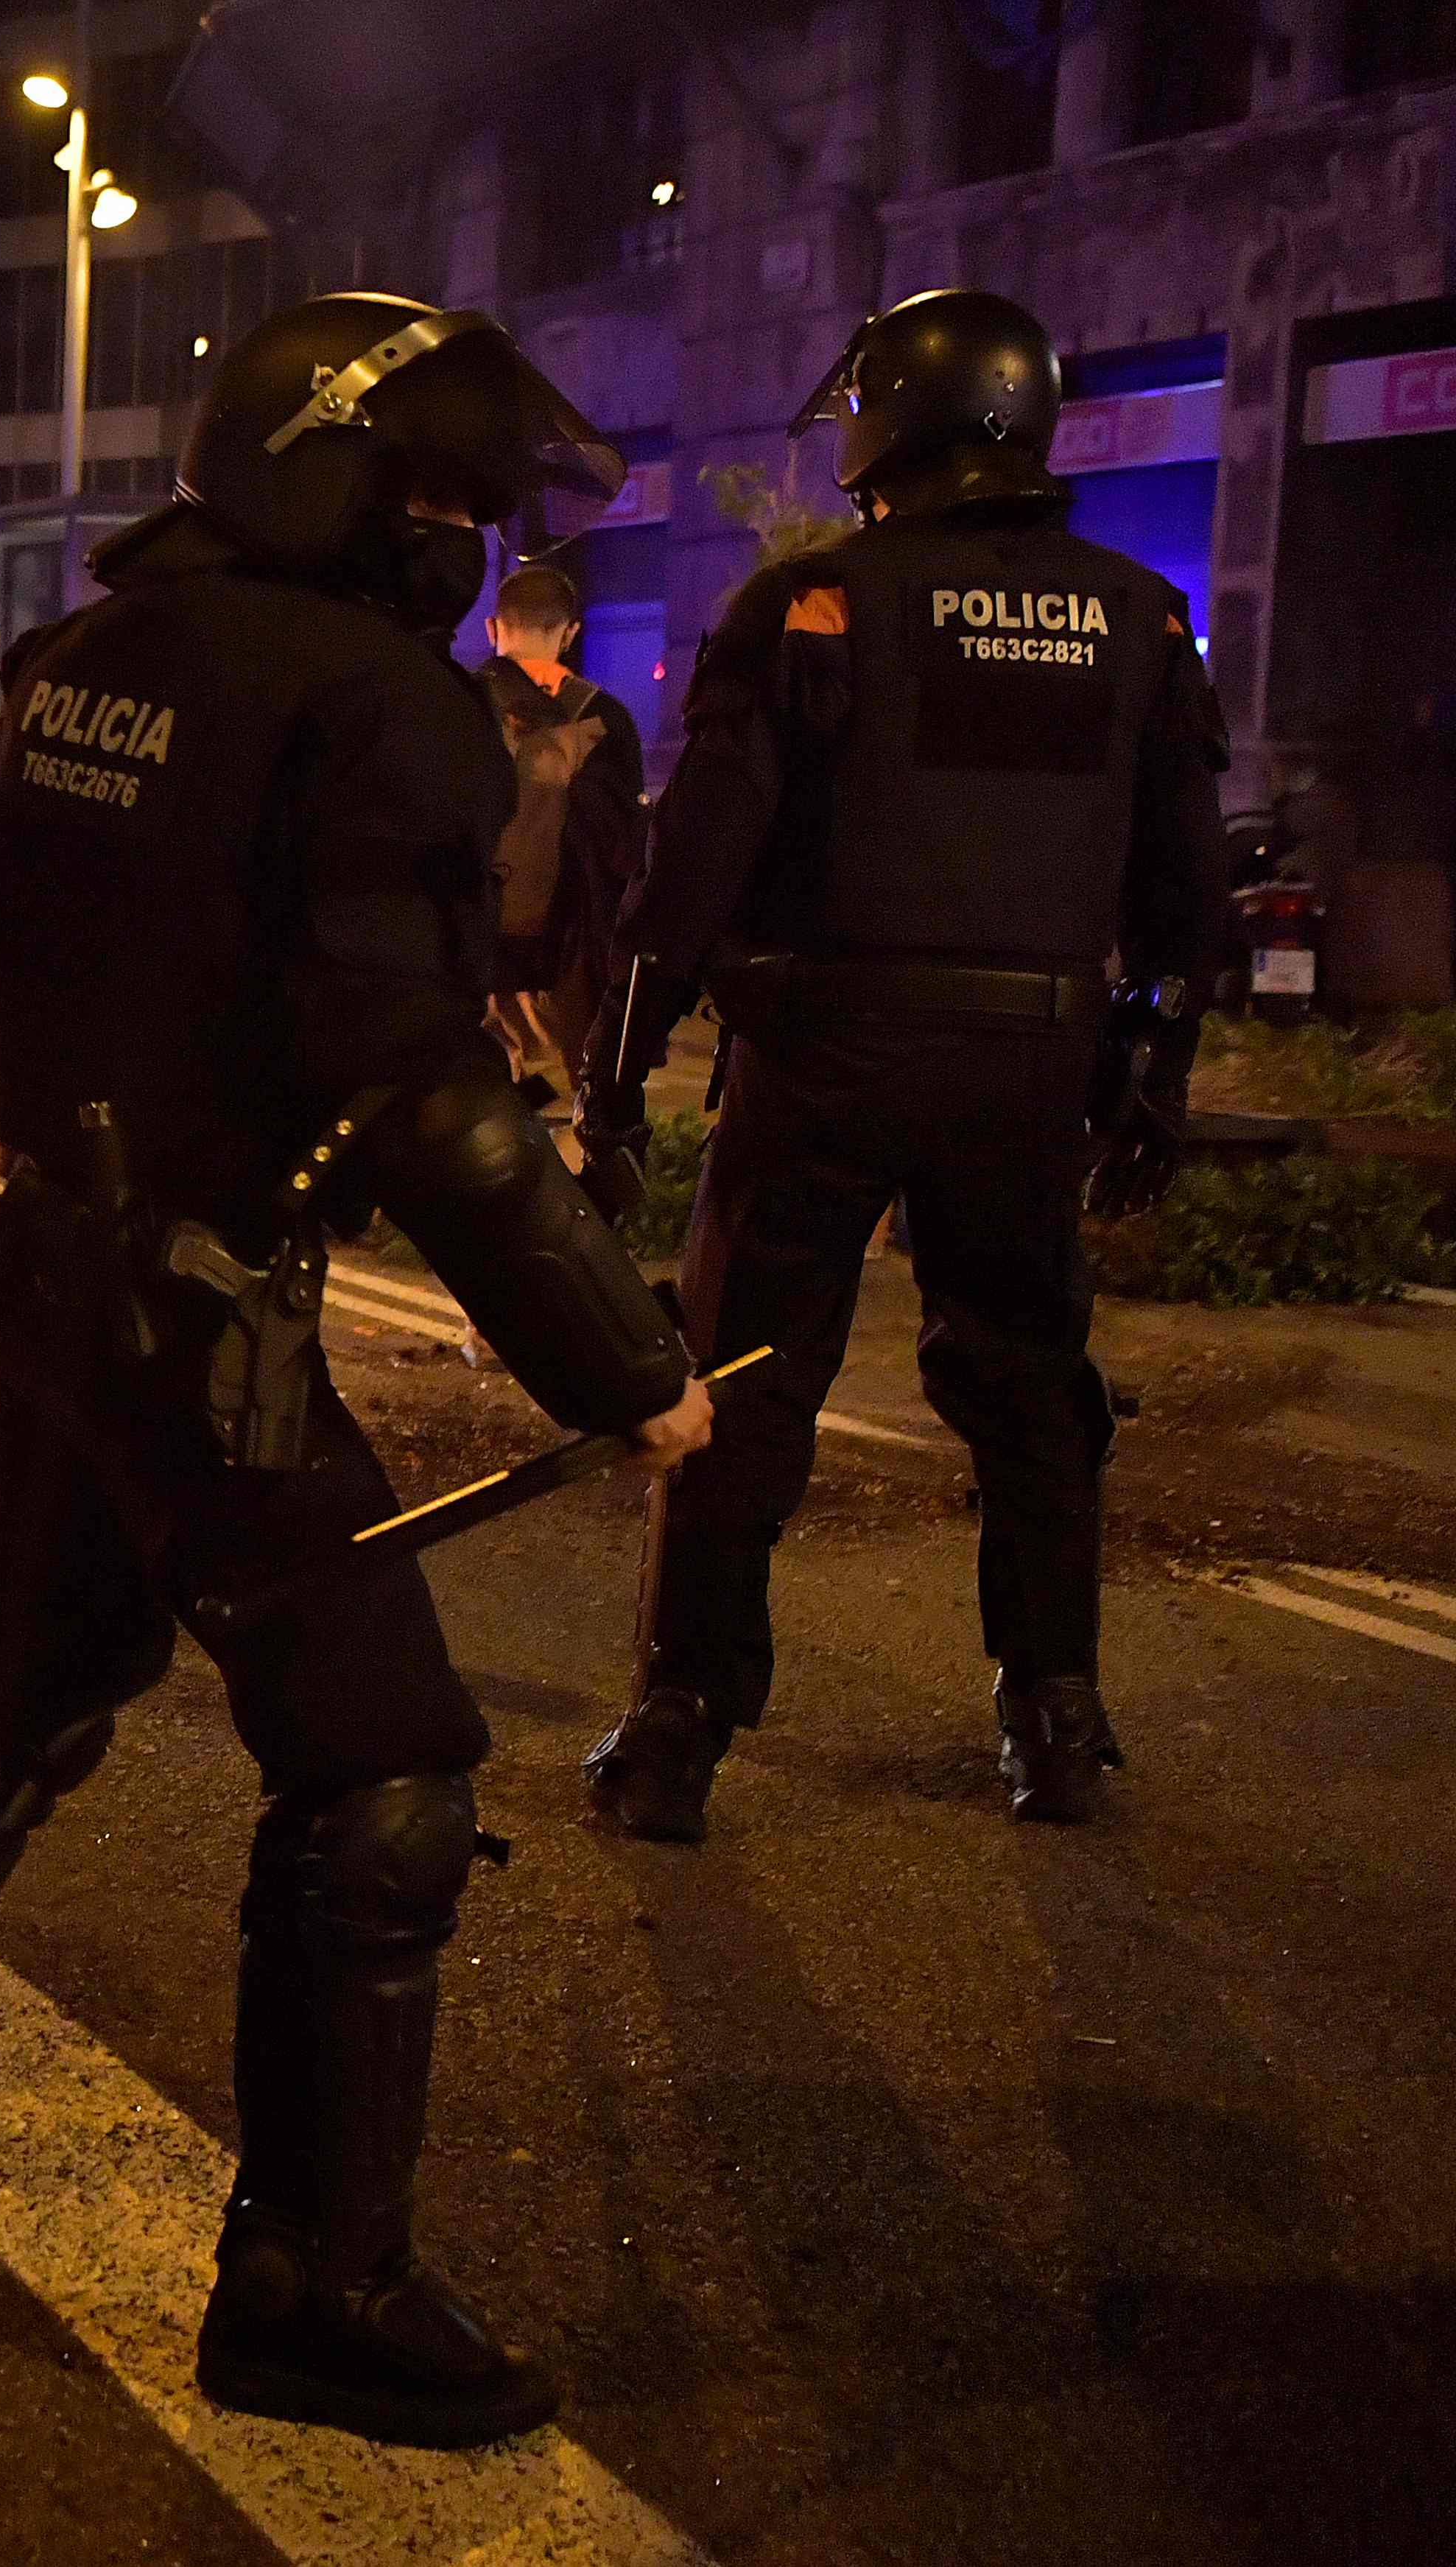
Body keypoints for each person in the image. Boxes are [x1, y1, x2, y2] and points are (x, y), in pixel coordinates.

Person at [0, 295, 708, 2450]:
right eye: (440, 504)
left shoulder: (95, 665)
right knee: (380, 1764)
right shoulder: (381, 709)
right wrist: (618, 1359)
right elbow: (415, 1086)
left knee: (42, 1658)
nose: (460, 548)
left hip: (51, 1267)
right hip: (198, 1307)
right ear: (345, 492)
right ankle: (308, 2286)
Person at [574, 289, 1228, 1839]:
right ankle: (1055, 1717)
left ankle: (679, 1722)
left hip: (822, 1055)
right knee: (1030, 1392)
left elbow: (693, 867)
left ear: (885, 417)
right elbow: (1188, 893)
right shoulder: (1136, 617)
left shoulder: (816, 603)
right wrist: (1157, 1066)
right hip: (1026, 1062)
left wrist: (615, 1077)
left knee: (740, 1383)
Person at [474, 562, 645, 1106]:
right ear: (570, 633)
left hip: (459, 963)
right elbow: (626, 856)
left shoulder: (453, 705)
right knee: (555, 1116)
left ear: (492, 628)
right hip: (558, 970)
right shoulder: (603, 721)